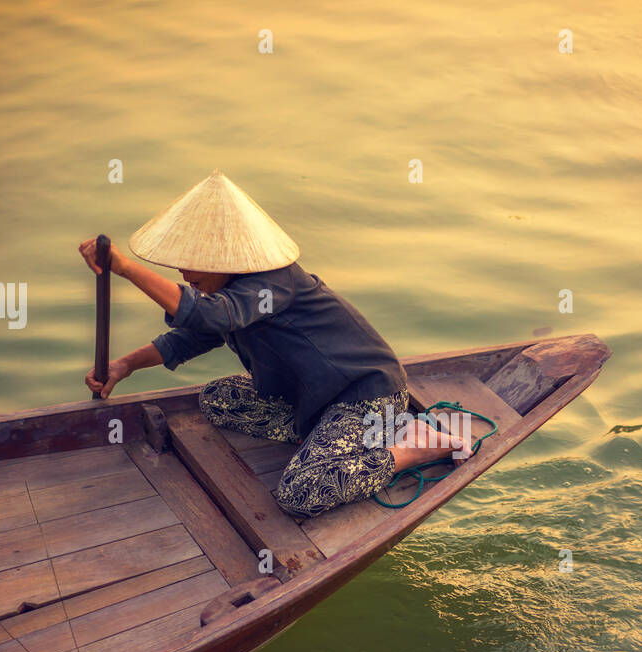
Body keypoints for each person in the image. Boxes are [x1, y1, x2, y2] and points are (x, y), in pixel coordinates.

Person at [79, 170, 470, 519]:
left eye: (194, 262)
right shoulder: (230, 291)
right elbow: (191, 336)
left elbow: (206, 316)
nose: (183, 271)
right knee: (217, 397)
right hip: (314, 398)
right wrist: (124, 366)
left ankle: (412, 447)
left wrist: (126, 268)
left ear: (225, 258)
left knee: (300, 493)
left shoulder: (272, 282)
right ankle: (329, 438)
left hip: (366, 395)